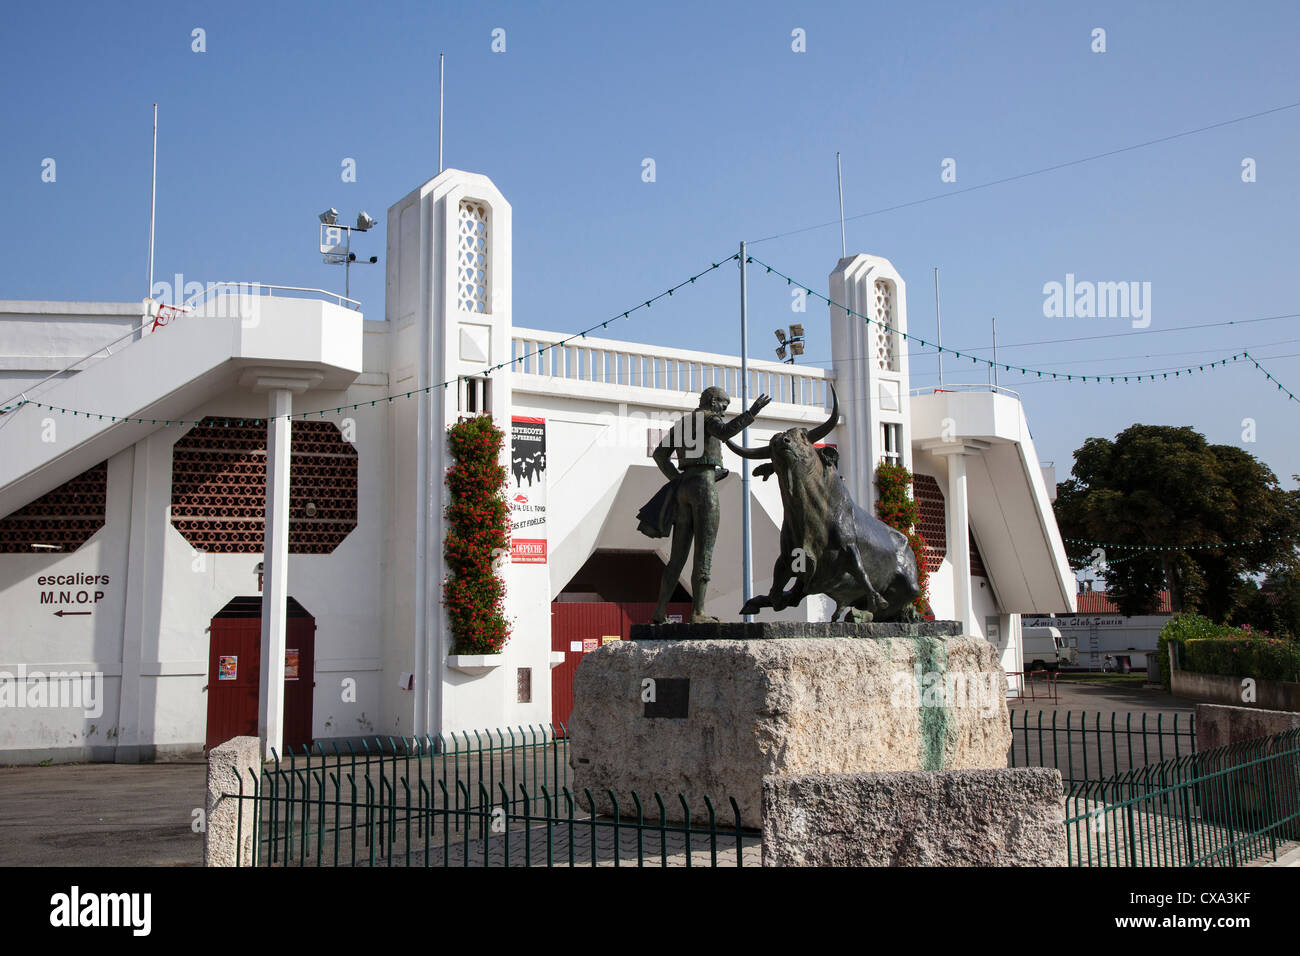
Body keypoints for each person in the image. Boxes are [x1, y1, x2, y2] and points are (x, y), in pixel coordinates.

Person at [637, 386, 770, 624]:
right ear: (712, 401)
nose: (724, 411)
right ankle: (698, 612)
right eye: (723, 405)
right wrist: (751, 413)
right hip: (704, 486)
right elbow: (726, 431)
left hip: (684, 486)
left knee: (677, 557)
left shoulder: (683, 423)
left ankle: (659, 612)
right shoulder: (709, 419)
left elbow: (660, 455)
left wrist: (677, 479)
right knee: (704, 552)